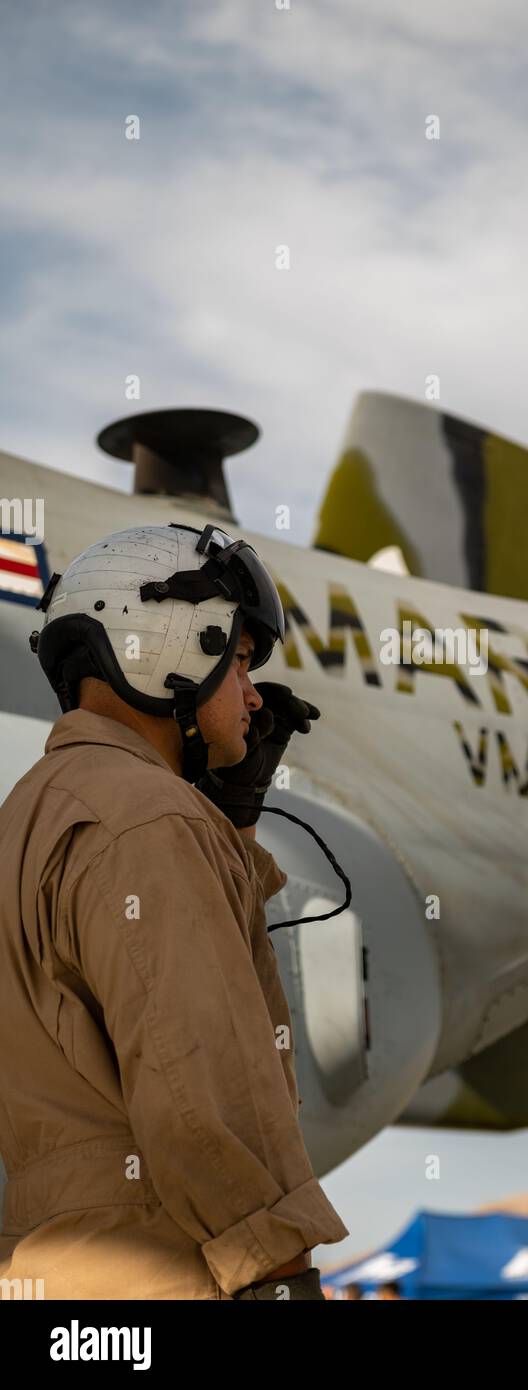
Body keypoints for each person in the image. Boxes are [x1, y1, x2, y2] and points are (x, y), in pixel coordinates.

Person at [0, 522, 349, 1300]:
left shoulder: (29, 815)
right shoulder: (151, 821)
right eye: (241, 661)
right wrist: (281, 1273)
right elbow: (198, 1090)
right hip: (167, 1270)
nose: (254, 695)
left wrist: (230, 824)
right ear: (170, 647)